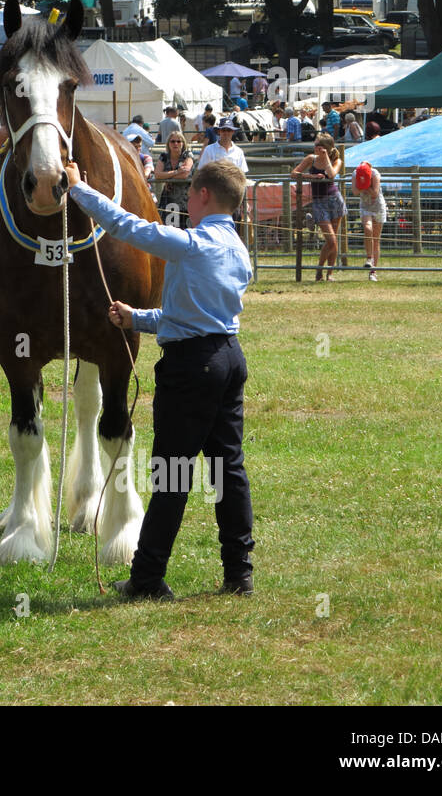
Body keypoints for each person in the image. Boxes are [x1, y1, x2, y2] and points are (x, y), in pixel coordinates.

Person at [64, 158, 255, 599]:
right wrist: (138, 319)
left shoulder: (191, 245)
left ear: (204, 195)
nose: (187, 202)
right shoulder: (239, 252)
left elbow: (127, 227)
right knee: (228, 470)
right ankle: (238, 573)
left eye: (190, 195)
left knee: (170, 473)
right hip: (228, 358)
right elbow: (193, 315)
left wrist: (78, 188)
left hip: (191, 368)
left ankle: (147, 577)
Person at [292, 133, 346, 281]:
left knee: (335, 239)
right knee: (331, 240)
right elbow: (294, 173)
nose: (316, 148)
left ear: (327, 149)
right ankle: (319, 269)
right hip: (319, 202)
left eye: (319, 146)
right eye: (315, 145)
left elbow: (331, 175)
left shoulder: (336, 160)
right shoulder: (311, 159)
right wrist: (312, 177)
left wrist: (326, 158)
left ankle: (330, 273)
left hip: (334, 200)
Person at [352, 161, 386, 281]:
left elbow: (375, 193)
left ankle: (373, 272)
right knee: (367, 228)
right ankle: (369, 257)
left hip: (378, 208)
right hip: (365, 207)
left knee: (376, 240)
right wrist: (363, 184)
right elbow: (355, 191)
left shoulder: (375, 173)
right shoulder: (355, 173)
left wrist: (364, 184)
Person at [154, 131, 194, 228]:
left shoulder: (187, 155)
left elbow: (185, 174)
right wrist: (176, 172)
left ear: (183, 143)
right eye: (172, 141)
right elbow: (157, 175)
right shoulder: (164, 156)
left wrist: (167, 178)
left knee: (185, 230)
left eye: (178, 141)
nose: (175, 144)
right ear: (168, 143)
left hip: (185, 200)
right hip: (168, 199)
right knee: (168, 229)